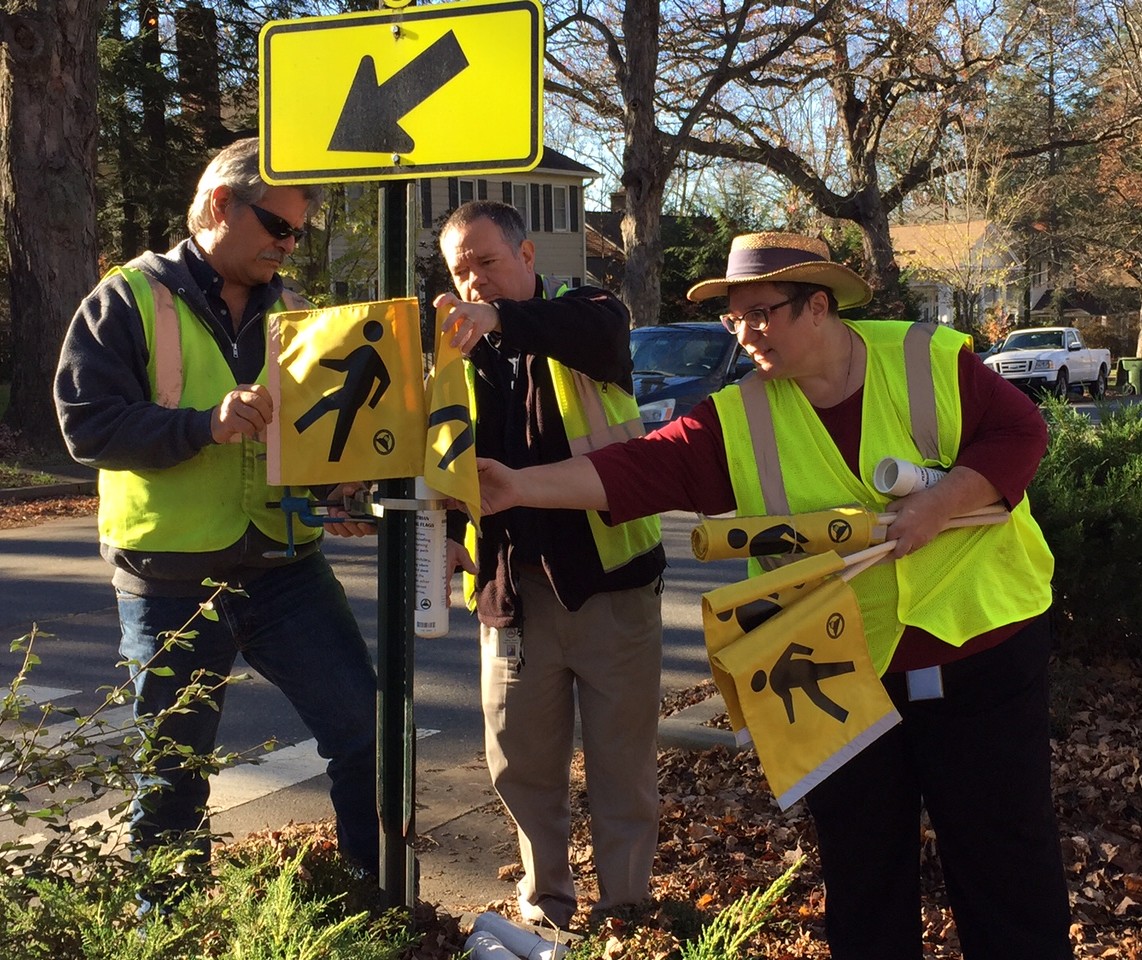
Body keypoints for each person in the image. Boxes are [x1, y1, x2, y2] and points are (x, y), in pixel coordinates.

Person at [476, 232, 1074, 959]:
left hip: (978, 647)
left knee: (1003, 863)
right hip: (829, 667)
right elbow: (638, 471)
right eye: (735, 318)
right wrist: (518, 485)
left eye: (762, 313)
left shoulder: (926, 355)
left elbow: (1019, 431)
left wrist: (944, 500)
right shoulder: (741, 412)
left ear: (817, 306)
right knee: (861, 874)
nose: (746, 333)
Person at [53, 137, 380, 882]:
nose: (288, 244)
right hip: (169, 581)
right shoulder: (126, 298)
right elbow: (85, 424)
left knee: (368, 736)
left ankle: (379, 907)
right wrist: (202, 423)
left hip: (285, 569)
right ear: (219, 204)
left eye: (298, 233)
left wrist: (341, 490)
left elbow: (318, 438)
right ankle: (166, 930)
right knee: (172, 778)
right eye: (277, 226)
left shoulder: (298, 311)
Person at [433, 200, 666, 928]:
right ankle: (548, 909)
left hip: (609, 586)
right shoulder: (457, 356)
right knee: (520, 764)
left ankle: (627, 908)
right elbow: (441, 452)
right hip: (510, 593)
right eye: (459, 269)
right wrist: (443, 534)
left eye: (486, 262)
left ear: (528, 254)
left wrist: (498, 320)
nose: (474, 281)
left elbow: (590, 332)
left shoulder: (589, 311)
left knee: (620, 765)